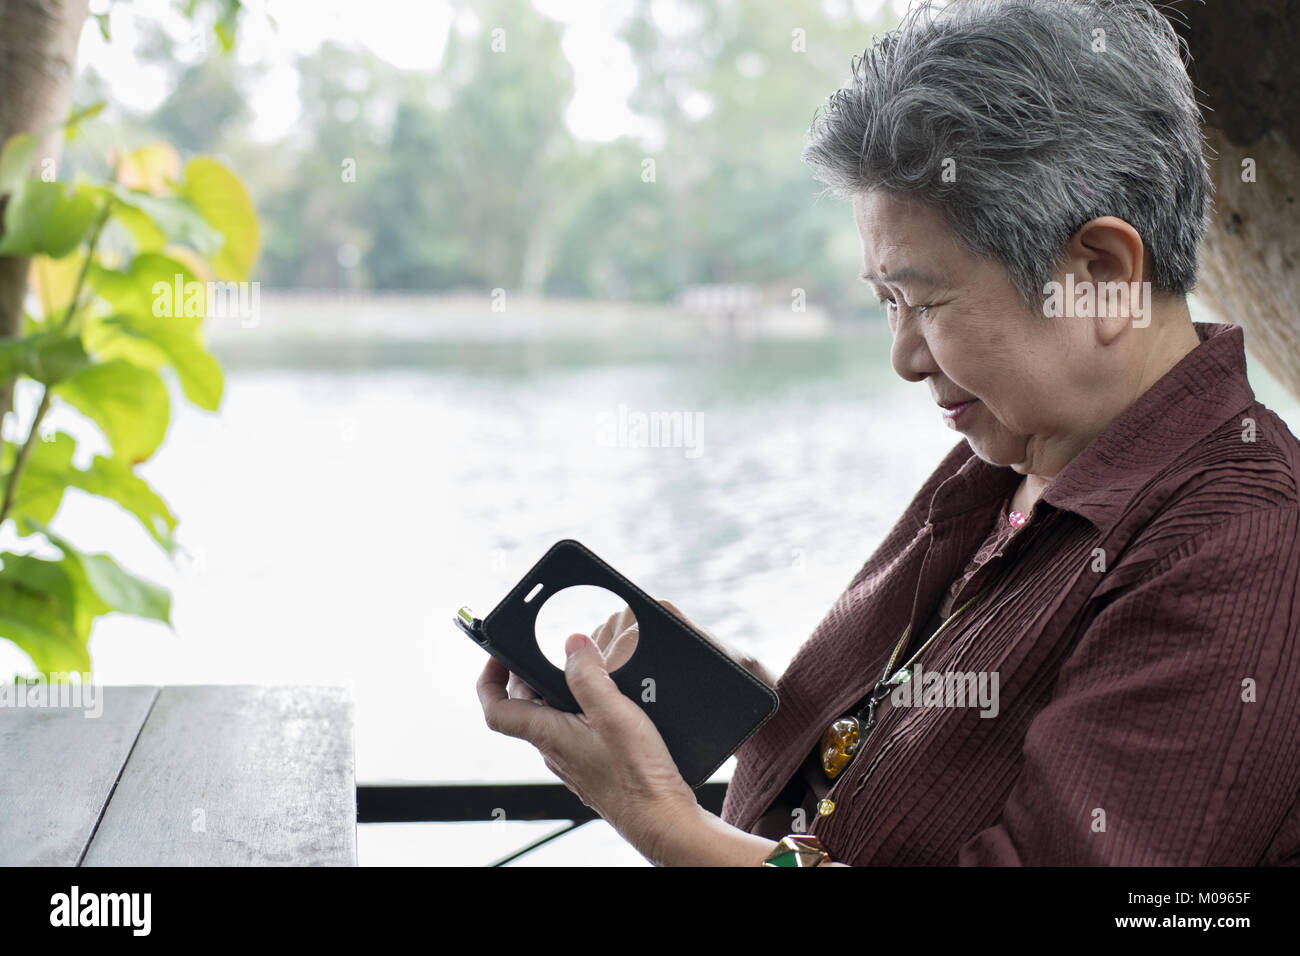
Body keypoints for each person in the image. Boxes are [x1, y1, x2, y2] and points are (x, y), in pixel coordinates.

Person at [477, 0, 1300, 865]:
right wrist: (753, 709)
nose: (904, 357)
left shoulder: (1242, 541)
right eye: (885, 303)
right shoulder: (1002, 457)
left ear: (1099, 275)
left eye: (926, 301)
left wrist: (659, 817)